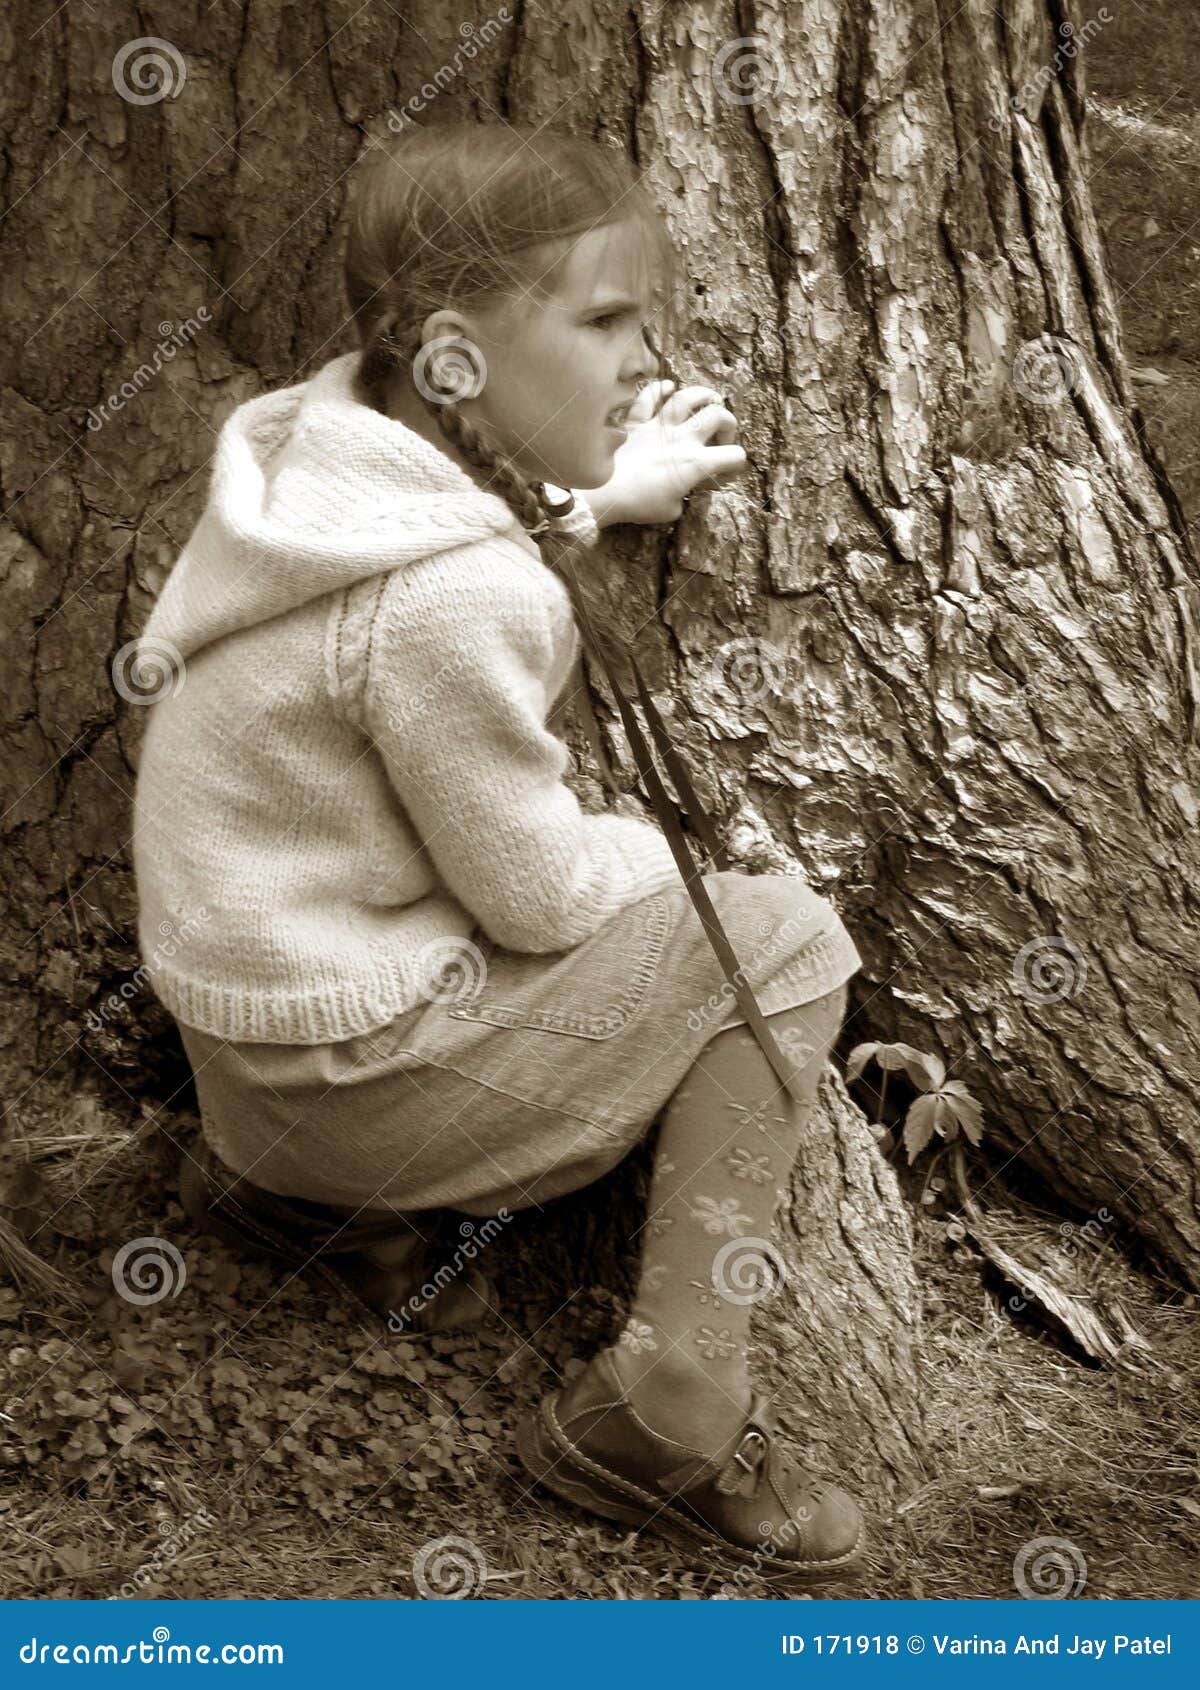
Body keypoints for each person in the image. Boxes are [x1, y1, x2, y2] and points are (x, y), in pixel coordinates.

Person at [130, 120, 866, 1585]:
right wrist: (680, 868)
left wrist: (592, 496)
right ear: (458, 360)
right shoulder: (456, 598)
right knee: (782, 937)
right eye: (603, 322)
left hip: (250, 1073)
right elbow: (532, 893)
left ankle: (327, 1219)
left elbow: (428, 562)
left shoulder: (310, 468)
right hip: (353, 1081)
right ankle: (663, 1411)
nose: (643, 357)